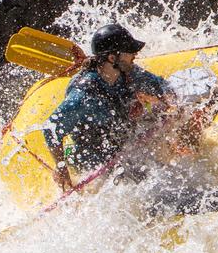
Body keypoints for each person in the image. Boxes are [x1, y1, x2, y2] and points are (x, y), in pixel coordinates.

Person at [45, 22, 172, 182]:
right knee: (144, 178)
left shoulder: (129, 73)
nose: (135, 55)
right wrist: (61, 167)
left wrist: (171, 104)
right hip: (90, 157)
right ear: (113, 58)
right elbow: (51, 128)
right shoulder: (84, 94)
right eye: (129, 52)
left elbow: (162, 86)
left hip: (121, 141)